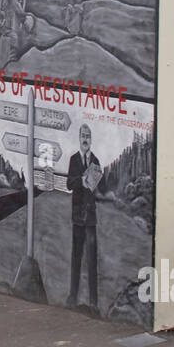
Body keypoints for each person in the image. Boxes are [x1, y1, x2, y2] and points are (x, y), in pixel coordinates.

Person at [65, 124, 100, 311]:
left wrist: (94, 182)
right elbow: (69, 184)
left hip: (91, 218)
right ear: (79, 138)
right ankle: (73, 296)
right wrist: (82, 181)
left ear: (91, 139)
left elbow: (100, 186)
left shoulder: (95, 161)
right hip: (78, 216)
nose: (85, 139)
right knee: (76, 257)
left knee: (92, 260)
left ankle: (94, 301)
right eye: (83, 136)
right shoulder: (74, 160)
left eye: (88, 136)